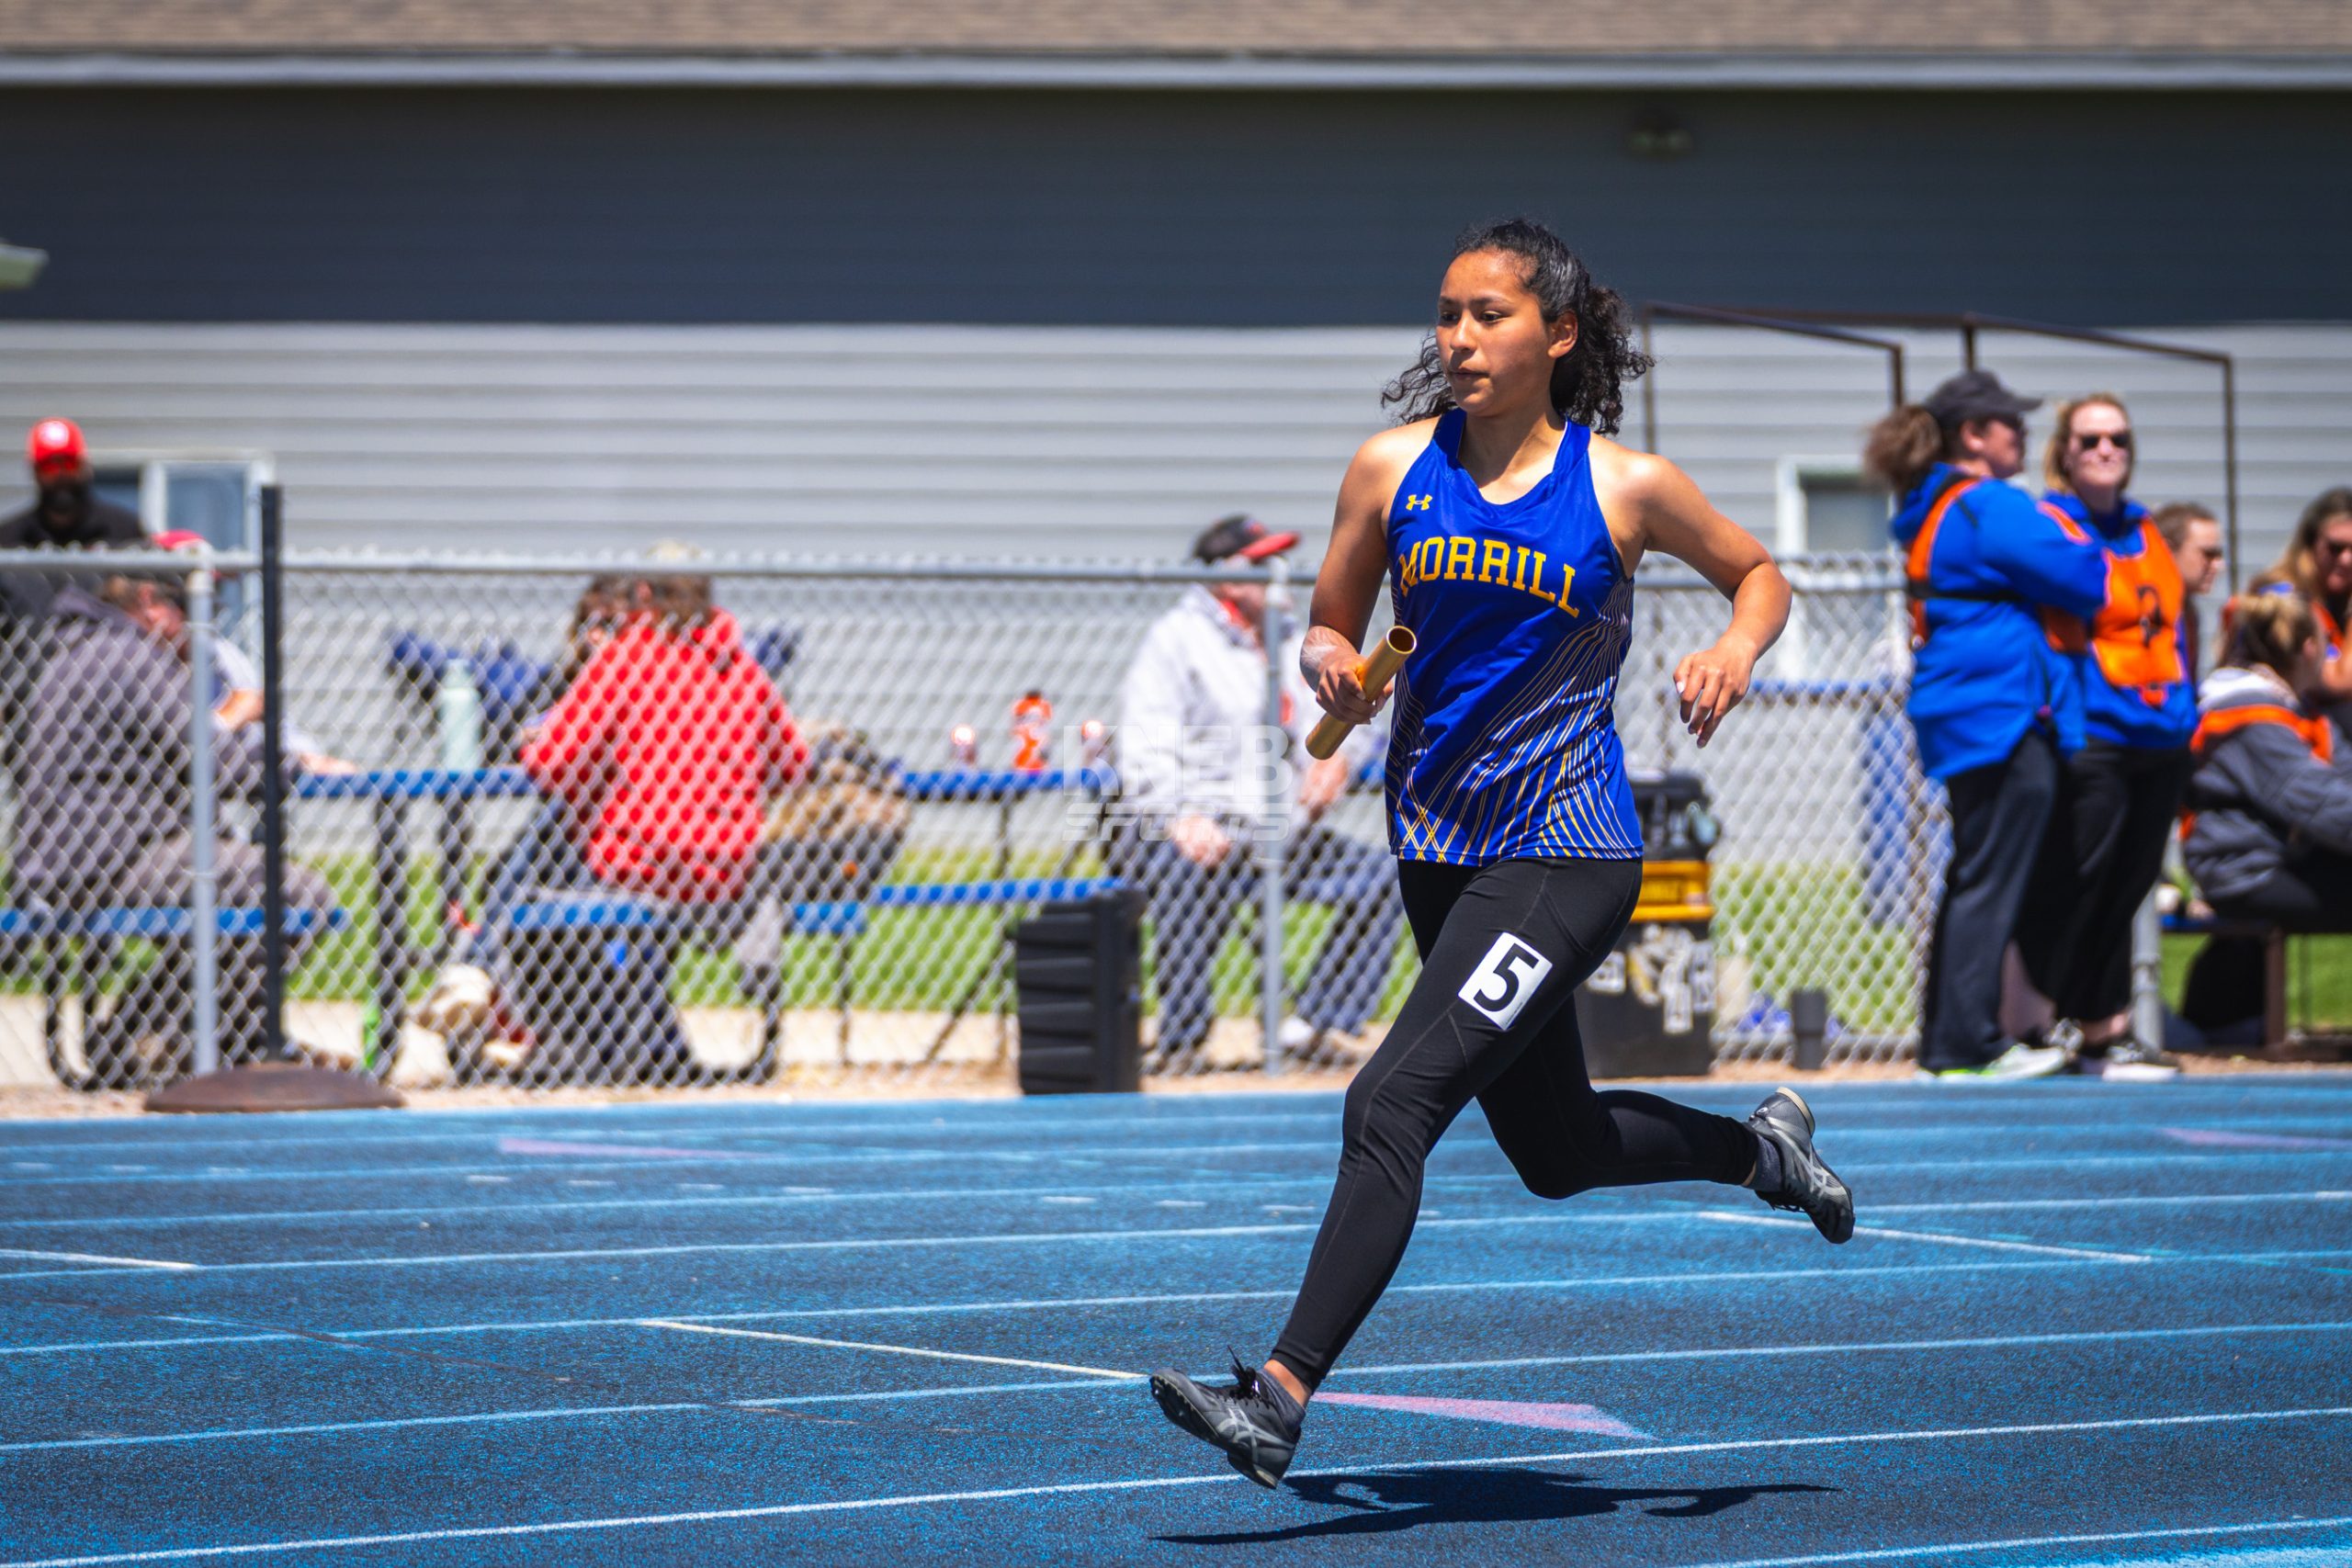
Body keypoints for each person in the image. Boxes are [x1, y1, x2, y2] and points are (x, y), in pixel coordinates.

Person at [1146, 218, 1849, 1489]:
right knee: (1557, 1149)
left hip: (1565, 848)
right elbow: (1330, 621)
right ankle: (1765, 1151)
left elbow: (1759, 573)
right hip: (1437, 843)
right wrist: (1331, 666)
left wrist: (1734, 650)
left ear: (1557, 334)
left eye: (1488, 315)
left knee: (1390, 1101)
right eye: (1447, 314)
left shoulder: (1625, 484)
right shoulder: (1390, 469)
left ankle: (1279, 1396)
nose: (1457, 338)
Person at [418, 573, 806, 1059]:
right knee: (557, 843)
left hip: (639, 865)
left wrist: (548, 747)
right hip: (726, 873)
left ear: (644, 597)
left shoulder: (628, 660)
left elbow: (552, 763)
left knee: (549, 836)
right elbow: (792, 767)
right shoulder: (746, 671)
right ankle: (633, 1042)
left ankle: (478, 965)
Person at [1865, 370, 2108, 1082]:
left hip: (1968, 706)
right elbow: (2086, 575)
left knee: (1977, 871)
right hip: (2000, 709)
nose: (2024, 434)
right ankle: (1966, 1043)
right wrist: (2071, 525)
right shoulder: (1986, 505)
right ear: (1974, 435)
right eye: (2011, 423)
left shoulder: (1943, 506)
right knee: (1990, 877)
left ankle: (1950, 1040)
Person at [1113, 513, 1405, 1071]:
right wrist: (1182, 817)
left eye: (1280, 560)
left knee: (1383, 878)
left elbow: (1346, 715)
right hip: (1200, 824)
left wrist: (1338, 760)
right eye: (1260, 563)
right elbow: (1144, 742)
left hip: (1279, 830)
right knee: (1185, 873)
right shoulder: (1178, 640)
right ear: (1223, 576)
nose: (1278, 574)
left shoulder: (1292, 638)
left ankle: (1313, 1023)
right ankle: (1183, 1039)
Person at [13, 569, 335, 1070]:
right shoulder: (131, 656)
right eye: (186, 610)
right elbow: (210, 758)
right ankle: (193, 1039)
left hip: (79, 858)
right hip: (112, 861)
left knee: (231, 891)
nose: (192, 628)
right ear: (150, 602)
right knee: (299, 894)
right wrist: (296, 767)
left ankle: (146, 1036)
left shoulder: (78, 649)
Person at [2010, 395, 2196, 1079]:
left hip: (2161, 729)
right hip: (2094, 728)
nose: (2104, 449)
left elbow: (2175, 627)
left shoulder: (2147, 529)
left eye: (2116, 437)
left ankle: (2104, 1029)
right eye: (2089, 439)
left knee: (2132, 878)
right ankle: (2032, 1021)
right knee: (2076, 875)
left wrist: (2189, 707)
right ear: (2064, 450)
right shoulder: (2051, 526)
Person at [2179, 591, 2352, 1029]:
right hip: (2242, 867)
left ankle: (2217, 1021)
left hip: (2280, 858)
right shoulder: (2251, 715)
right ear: (2311, 649)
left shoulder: (2298, 710)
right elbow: (2327, 806)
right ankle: (2214, 1023)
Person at [0, 419, 146, 775]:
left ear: (84, 466)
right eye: (50, 466)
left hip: (114, 708)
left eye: (67, 464)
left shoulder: (122, 531)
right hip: (30, 713)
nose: (60, 476)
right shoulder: (9, 541)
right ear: (35, 473)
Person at [2246, 487, 2352, 732]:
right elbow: (2340, 682)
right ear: (2309, 544)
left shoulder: (2338, 599)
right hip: (2279, 737)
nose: (2346, 560)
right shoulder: (2282, 596)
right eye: (2335, 548)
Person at [2151, 502, 2226, 680]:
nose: (2219, 565)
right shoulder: (2146, 612)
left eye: (2219, 555)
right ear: (2167, 550)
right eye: (2208, 554)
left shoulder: (2188, 612)